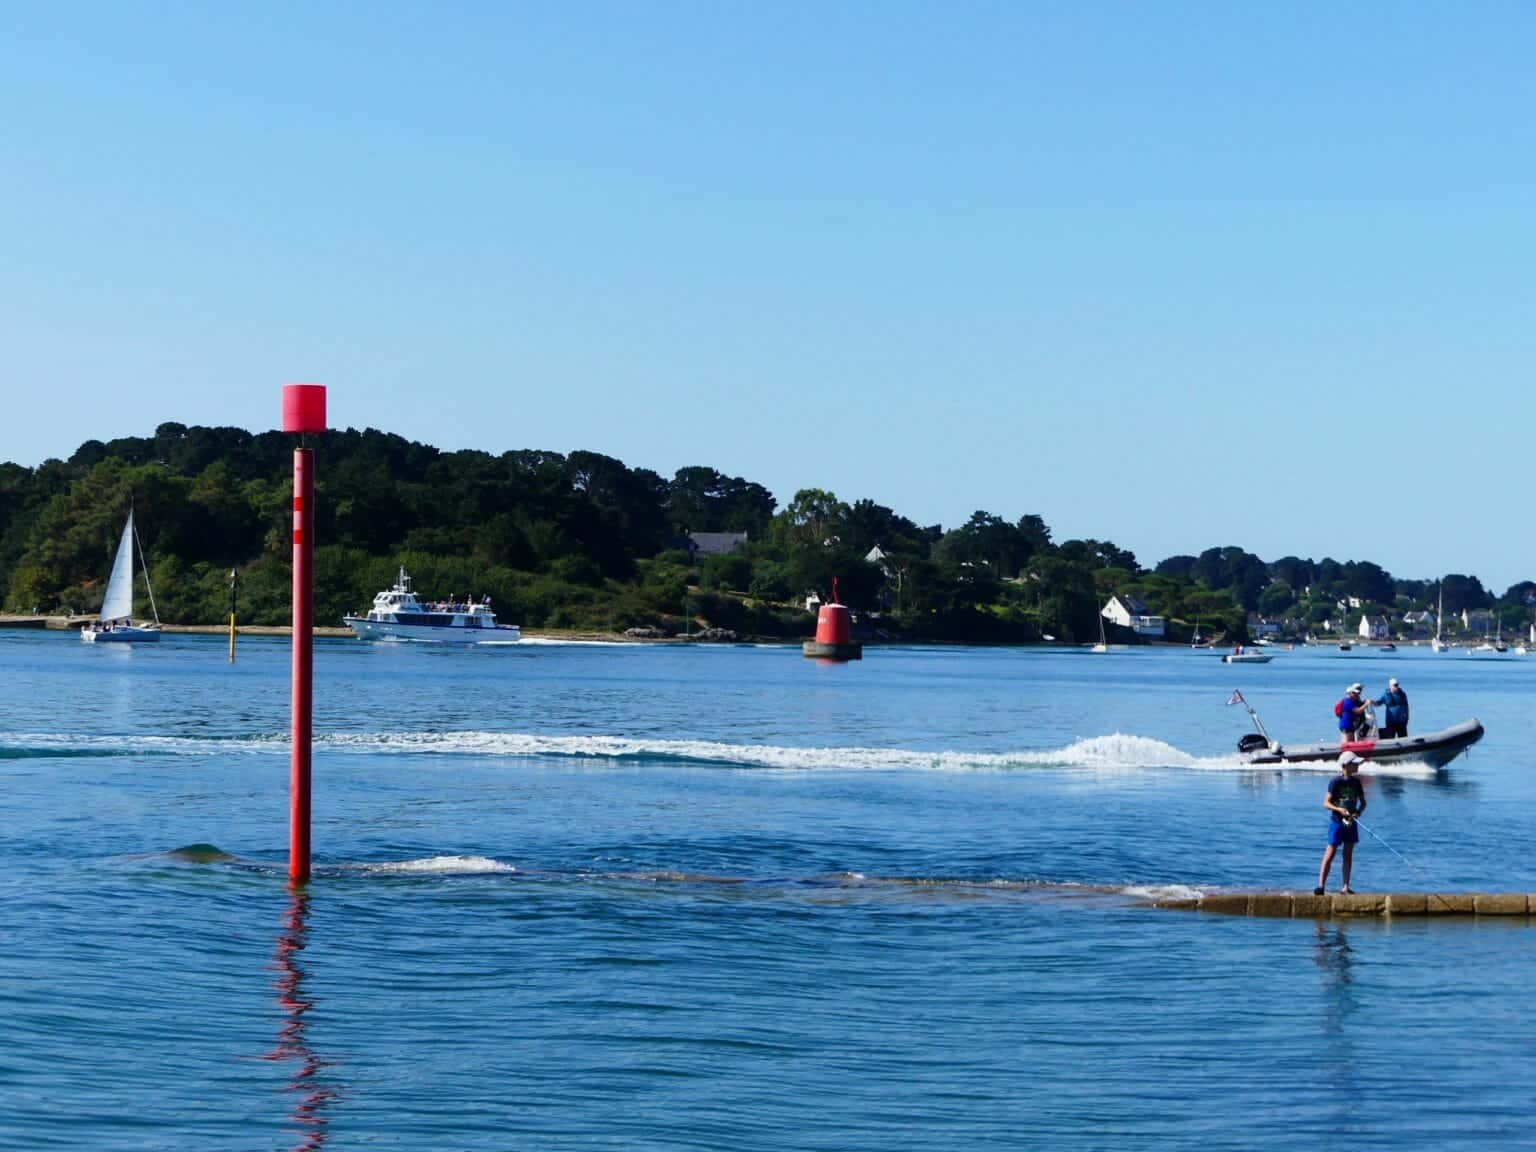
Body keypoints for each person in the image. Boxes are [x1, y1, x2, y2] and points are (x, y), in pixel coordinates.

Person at [1315, 750, 1367, 895]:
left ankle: (1345, 886)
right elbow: (1326, 803)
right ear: (1346, 765)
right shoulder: (1335, 782)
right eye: (1355, 764)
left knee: (1348, 854)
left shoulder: (1357, 782)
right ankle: (1321, 886)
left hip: (1351, 823)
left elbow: (1363, 803)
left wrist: (1358, 812)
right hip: (1337, 822)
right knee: (1330, 853)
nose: (1358, 766)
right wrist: (1339, 809)